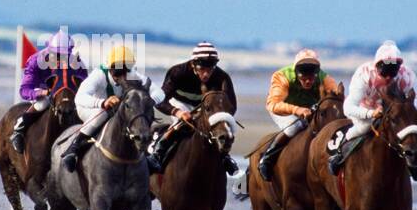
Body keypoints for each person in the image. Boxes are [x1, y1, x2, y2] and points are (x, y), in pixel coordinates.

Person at [330, 40, 417, 179]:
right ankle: (339, 154)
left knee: (410, 130)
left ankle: (413, 164)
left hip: (394, 112)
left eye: (392, 72)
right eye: (384, 72)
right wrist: (370, 113)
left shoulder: (406, 76)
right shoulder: (364, 75)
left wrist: (406, 109)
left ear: (399, 68)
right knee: (363, 128)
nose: (388, 77)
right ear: (377, 66)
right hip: (366, 110)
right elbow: (348, 107)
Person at [61, 43, 163, 171]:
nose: (122, 76)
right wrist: (102, 103)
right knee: (103, 113)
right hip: (90, 109)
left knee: (137, 117)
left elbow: (160, 93)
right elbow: (79, 97)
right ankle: (73, 148)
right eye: (118, 71)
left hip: (116, 112)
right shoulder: (99, 75)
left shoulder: (133, 75)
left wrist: (148, 101)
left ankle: (145, 154)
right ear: (110, 67)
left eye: (125, 70)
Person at [148, 41, 239, 175]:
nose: (206, 74)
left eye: (210, 69)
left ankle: (224, 156)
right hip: (180, 103)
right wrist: (178, 112)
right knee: (181, 124)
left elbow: (231, 106)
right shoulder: (178, 72)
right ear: (193, 64)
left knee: (219, 129)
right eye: (202, 69)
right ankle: (158, 154)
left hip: (206, 108)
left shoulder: (222, 77)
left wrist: (218, 117)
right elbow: (160, 100)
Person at [257, 48, 342, 180]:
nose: (308, 81)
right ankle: (266, 159)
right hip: (283, 110)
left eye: (311, 77)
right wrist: (297, 110)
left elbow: (337, 97)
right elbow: (273, 104)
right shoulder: (281, 77)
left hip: (310, 109)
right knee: (294, 126)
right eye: (303, 77)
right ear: (296, 73)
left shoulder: (324, 78)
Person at [10, 29, 87, 154]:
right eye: (57, 55)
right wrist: (42, 93)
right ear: (49, 51)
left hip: (67, 98)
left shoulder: (76, 63)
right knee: (42, 104)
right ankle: (19, 130)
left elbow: (85, 89)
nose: (60, 60)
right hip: (43, 96)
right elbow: (24, 91)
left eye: (64, 56)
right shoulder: (35, 62)